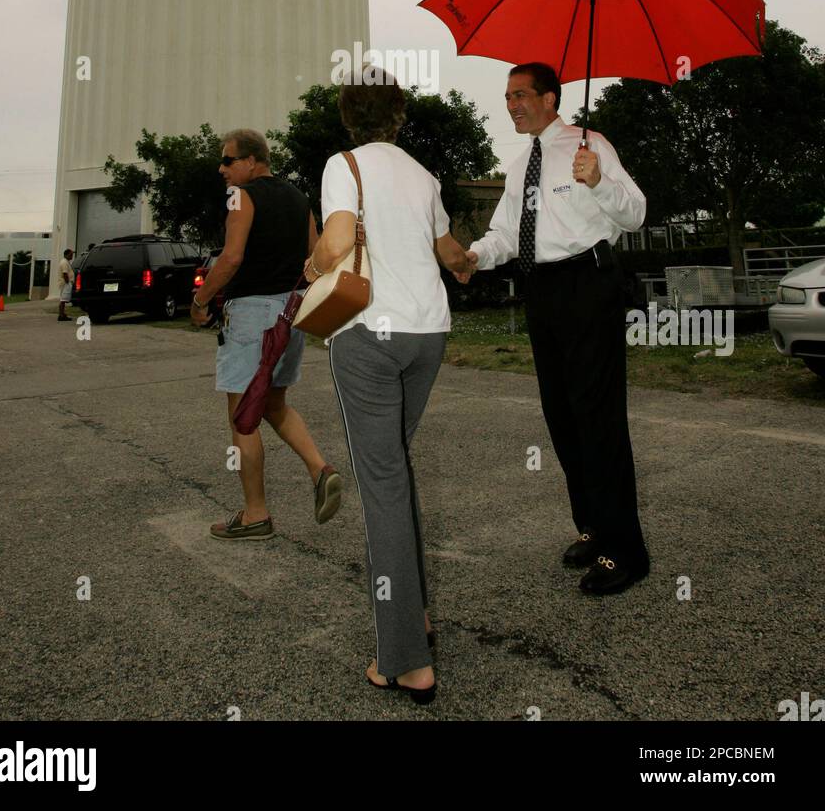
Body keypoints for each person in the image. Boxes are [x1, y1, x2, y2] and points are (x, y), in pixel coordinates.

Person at [309, 69, 471, 705]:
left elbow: (339, 242)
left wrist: (316, 261)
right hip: (428, 336)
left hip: (368, 336)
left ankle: (406, 660)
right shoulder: (423, 176)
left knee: (381, 484)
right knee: (394, 471)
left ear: (349, 118)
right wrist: (469, 263)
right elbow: (451, 254)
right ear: (398, 117)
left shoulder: (342, 165)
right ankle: (416, 612)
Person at [465, 63, 649, 596]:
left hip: (588, 285)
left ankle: (625, 551)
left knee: (598, 418)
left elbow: (634, 213)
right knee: (562, 416)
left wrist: (600, 181)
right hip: (541, 291)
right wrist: (472, 257)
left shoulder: (591, 146)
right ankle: (592, 528)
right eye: (507, 96)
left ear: (550, 97)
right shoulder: (522, 163)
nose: (512, 104)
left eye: (521, 94)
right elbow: (503, 233)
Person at [192, 128, 342, 538]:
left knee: (243, 418)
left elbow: (231, 258)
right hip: (290, 313)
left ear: (253, 161)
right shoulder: (298, 198)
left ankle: (255, 514)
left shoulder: (242, 197)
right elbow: (315, 259)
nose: (221, 169)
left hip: (253, 314)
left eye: (228, 160)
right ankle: (320, 468)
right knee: (273, 404)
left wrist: (202, 299)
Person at [57, 249, 74, 320]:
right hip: (65, 283)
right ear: (66, 254)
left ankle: (62, 314)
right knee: (63, 300)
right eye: (70, 254)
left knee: (63, 299)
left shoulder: (66, 262)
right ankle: (61, 315)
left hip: (66, 283)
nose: (72, 256)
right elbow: (65, 273)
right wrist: (68, 283)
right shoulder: (64, 262)